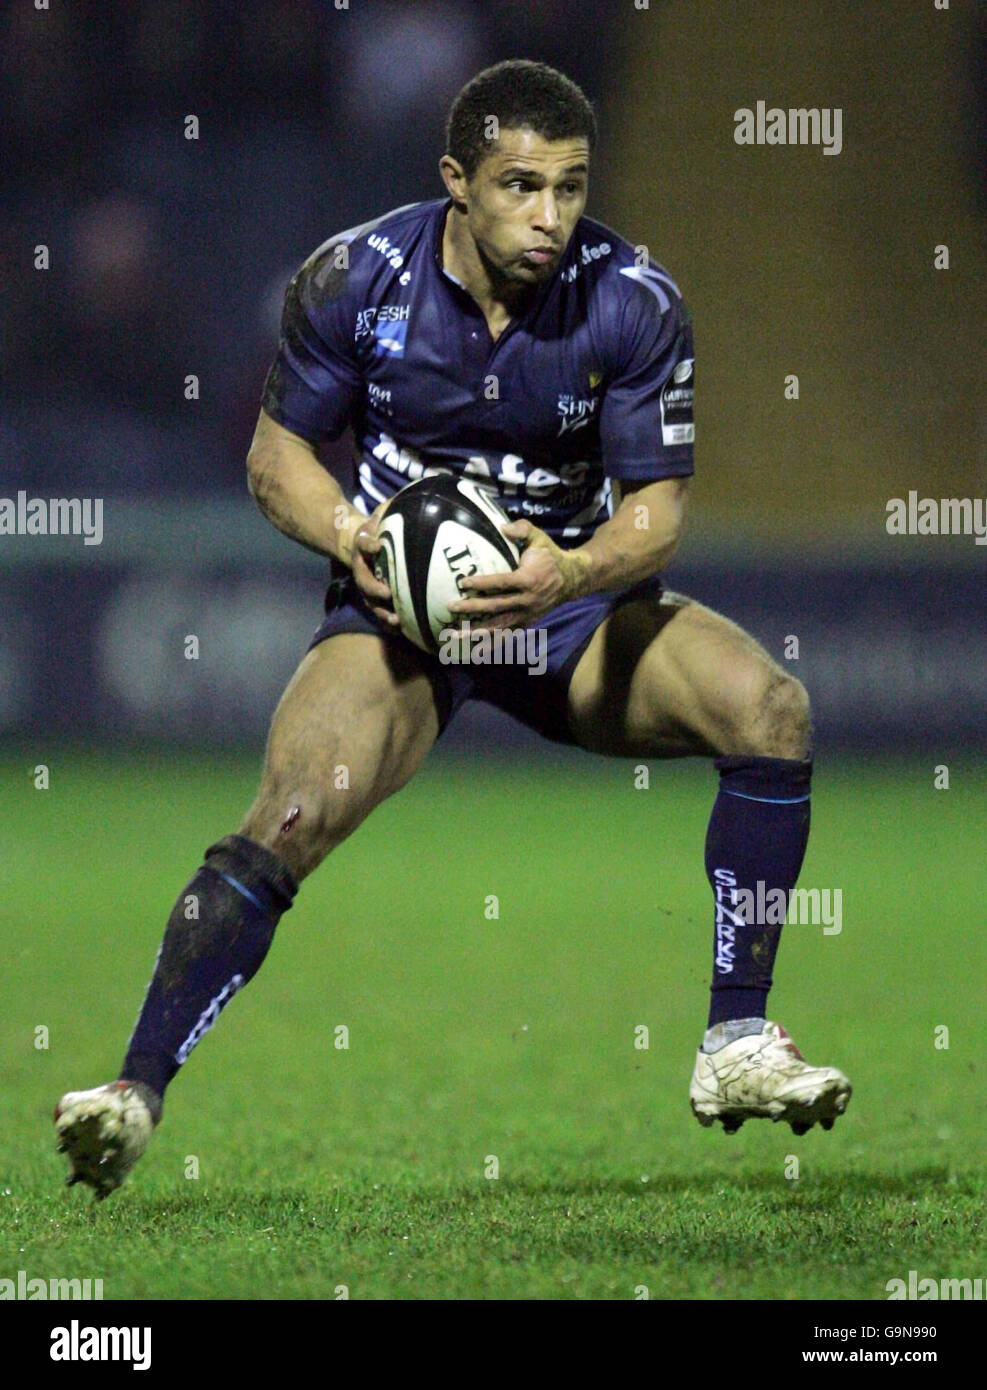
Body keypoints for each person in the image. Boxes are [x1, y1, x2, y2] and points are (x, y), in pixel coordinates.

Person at [55, 59, 850, 1199]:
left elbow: (658, 512)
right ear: (455, 183)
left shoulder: (632, 298)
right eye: (521, 186)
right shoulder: (354, 277)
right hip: (400, 621)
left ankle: (734, 1044)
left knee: (771, 708)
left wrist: (568, 568)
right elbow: (275, 455)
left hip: (565, 608)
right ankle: (132, 1092)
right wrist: (351, 536)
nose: (550, 216)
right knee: (287, 815)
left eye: (571, 188)